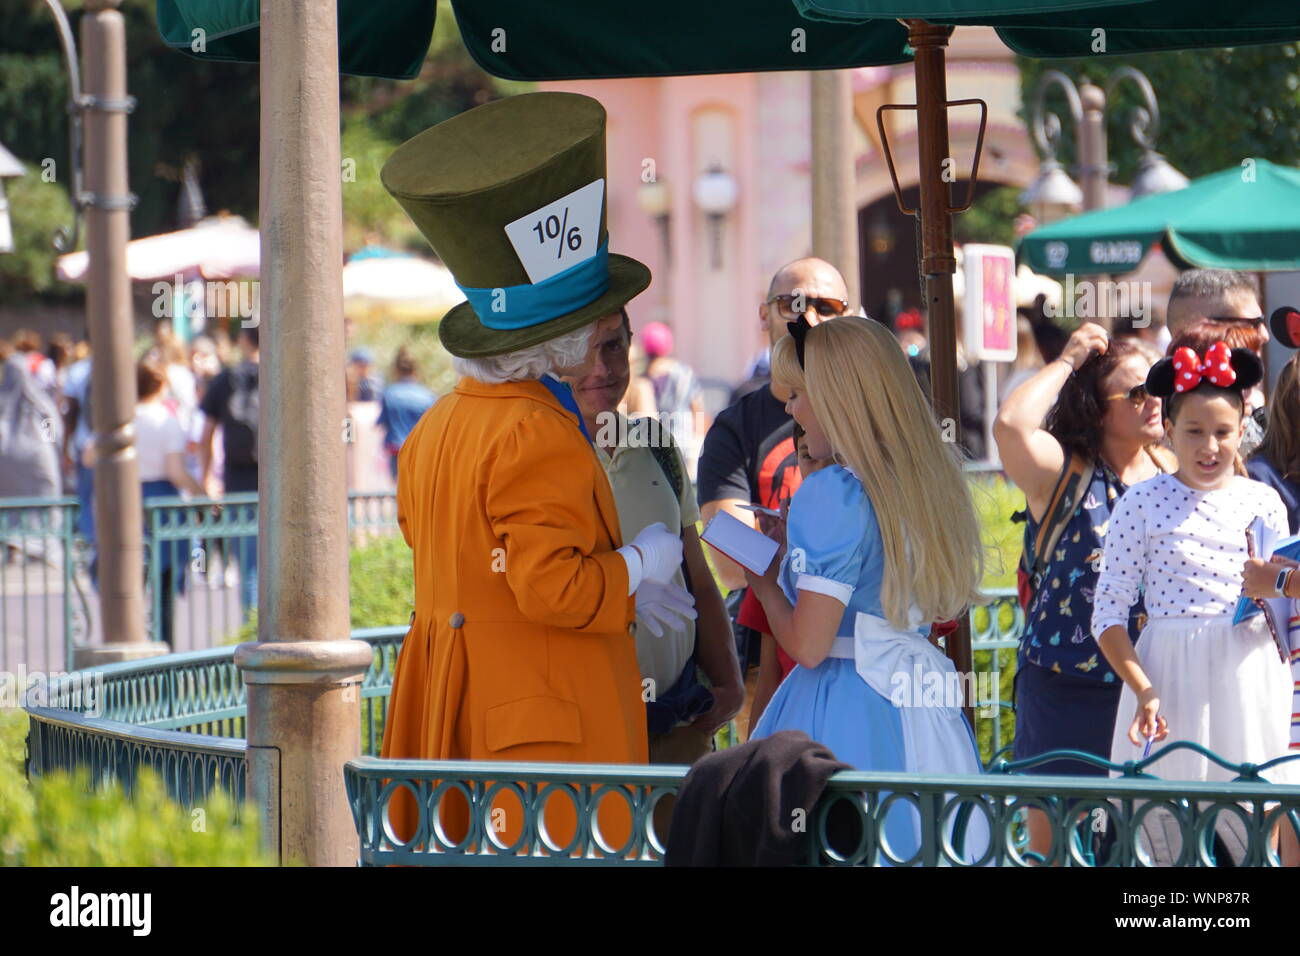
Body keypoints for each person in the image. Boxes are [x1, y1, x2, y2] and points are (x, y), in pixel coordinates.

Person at [377, 91, 696, 849]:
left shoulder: (437, 425)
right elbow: (551, 587)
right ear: (564, 339)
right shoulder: (538, 432)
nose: (607, 348)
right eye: (598, 329)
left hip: (455, 714)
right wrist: (639, 564)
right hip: (541, 747)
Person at [744, 315, 988, 862]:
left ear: (838, 397)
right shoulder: (925, 479)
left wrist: (765, 580)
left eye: (798, 394)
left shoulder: (832, 492)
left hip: (840, 706)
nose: (791, 410)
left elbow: (808, 646)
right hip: (920, 708)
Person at [993, 323, 1172, 859]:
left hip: (1148, 692)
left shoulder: (1171, 473)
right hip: (1063, 690)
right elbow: (1010, 425)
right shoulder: (1065, 472)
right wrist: (1069, 360)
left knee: (1142, 848)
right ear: (1097, 410)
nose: (1154, 400)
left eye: (1158, 386)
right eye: (1137, 392)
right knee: (1057, 848)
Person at [1093, 343, 1296, 784]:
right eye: (1194, 431)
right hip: (1170, 678)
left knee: (1256, 808)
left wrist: (1275, 584)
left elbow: (1285, 609)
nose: (1210, 446)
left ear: (1242, 429)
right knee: (1171, 813)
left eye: (1222, 431)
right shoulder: (1141, 502)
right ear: (1168, 429)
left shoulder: (1264, 501)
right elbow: (1107, 613)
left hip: (1252, 674)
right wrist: (1143, 688)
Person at [561, 309, 743, 765]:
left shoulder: (657, 445)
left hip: (681, 723)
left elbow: (697, 575)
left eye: (612, 346)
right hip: (583, 735)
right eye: (580, 350)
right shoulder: (539, 457)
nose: (600, 367)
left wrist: (729, 683)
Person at [697, 258, 851, 695]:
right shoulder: (735, 426)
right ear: (764, 314)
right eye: (793, 303)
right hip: (768, 656)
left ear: (850, 318)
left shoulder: (870, 419)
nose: (809, 317)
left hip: (865, 655)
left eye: (827, 307)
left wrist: (780, 555)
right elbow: (731, 559)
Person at [748, 421, 832, 732]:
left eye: (836, 458)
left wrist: (769, 587)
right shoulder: (780, 555)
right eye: (808, 456)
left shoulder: (890, 540)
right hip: (793, 728)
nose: (823, 470)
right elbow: (769, 675)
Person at [129, 354, 205, 648]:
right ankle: (165, 648)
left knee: (134, 581)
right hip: (162, 501)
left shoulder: (123, 418)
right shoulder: (166, 420)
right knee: (164, 585)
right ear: (161, 385)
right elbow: (175, 471)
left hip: (130, 498)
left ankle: (136, 643)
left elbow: (89, 454)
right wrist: (201, 493)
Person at [198, 324, 260, 617]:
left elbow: (206, 434)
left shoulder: (226, 379)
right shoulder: (282, 376)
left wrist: (208, 477)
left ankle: (254, 627)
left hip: (238, 482)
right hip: (278, 483)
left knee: (248, 564)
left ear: (244, 340)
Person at [638, 321, 710, 477]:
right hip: (683, 443)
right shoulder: (684, 373)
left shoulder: (643, 378)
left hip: (655, 448)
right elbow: (698, 409)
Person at [375, 347, 436, 480]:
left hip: (396, 450)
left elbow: (380, 422)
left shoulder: (389, 393)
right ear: (416, 370)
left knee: (398, 487)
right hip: (420, 451)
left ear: (395, 370)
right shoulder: (428, 395)